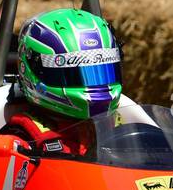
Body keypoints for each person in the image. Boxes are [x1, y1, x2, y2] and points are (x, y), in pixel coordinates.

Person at [6, 8, 123, 153]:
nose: (95, 86)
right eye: (73, 75)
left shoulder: (122, 125)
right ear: (33, 70)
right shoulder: (24, 139)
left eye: (102, 72)